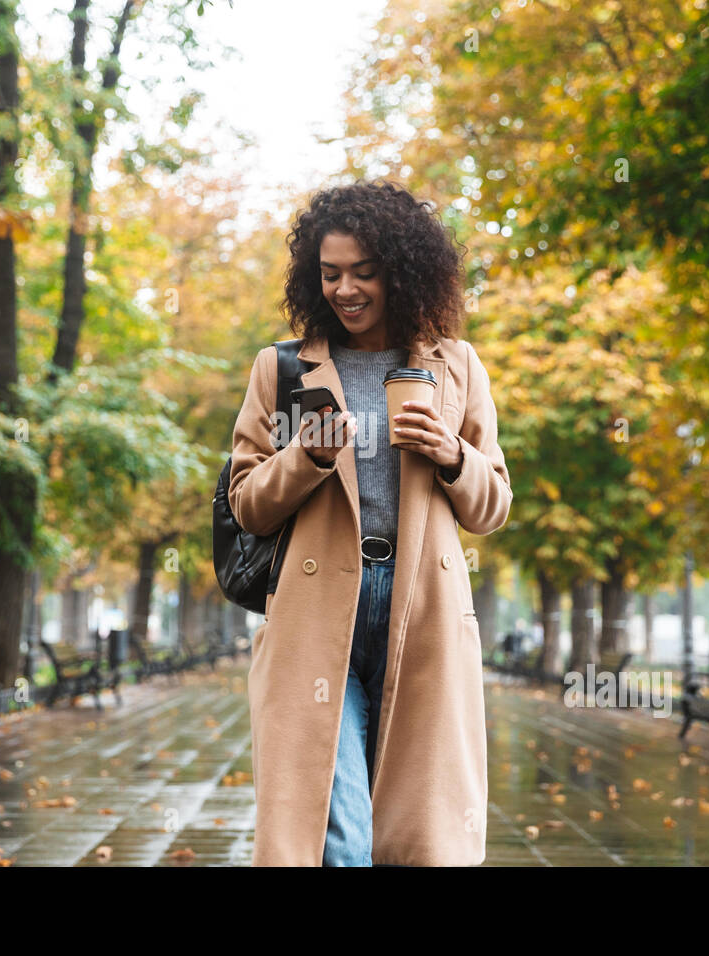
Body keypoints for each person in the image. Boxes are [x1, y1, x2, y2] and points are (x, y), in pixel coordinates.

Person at [227, 180, 512, 866]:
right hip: (317, 614)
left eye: (364, 272)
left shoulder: (456, 365)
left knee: (418, 835)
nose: (345, 289)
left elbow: (492, 506)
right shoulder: (284, 369)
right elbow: (247, 504)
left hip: (424, 614)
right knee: (336, 834)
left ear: (402, 272)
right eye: (330, 274)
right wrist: (307, 456)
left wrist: (452, 454)